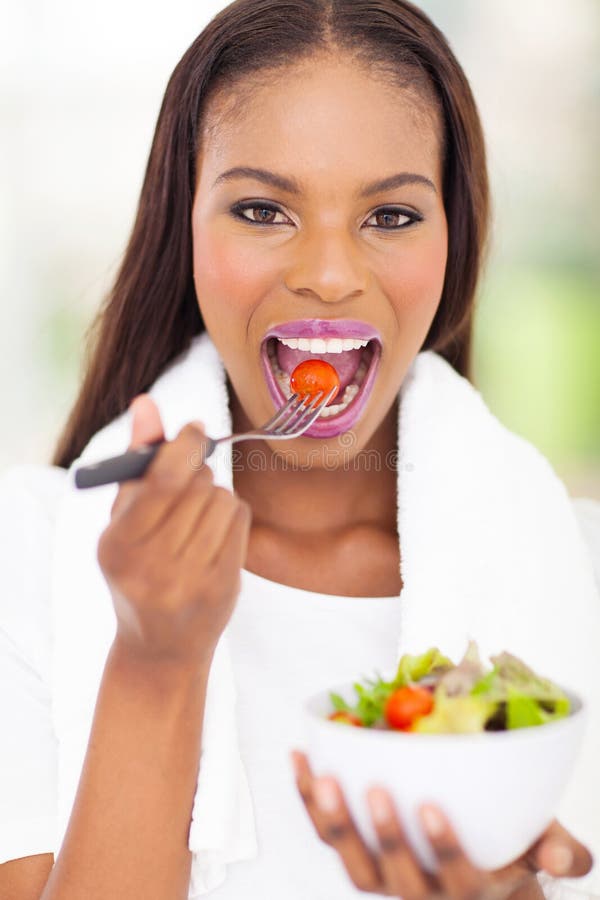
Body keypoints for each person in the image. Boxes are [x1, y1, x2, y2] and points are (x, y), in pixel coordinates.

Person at [1, 1, 599, 898]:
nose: (328, 273)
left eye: (390, 216)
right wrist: (155, 660)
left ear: (455, 238)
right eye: (261, 209)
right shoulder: (29, 559)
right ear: (184, 228)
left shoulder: (576, 574)